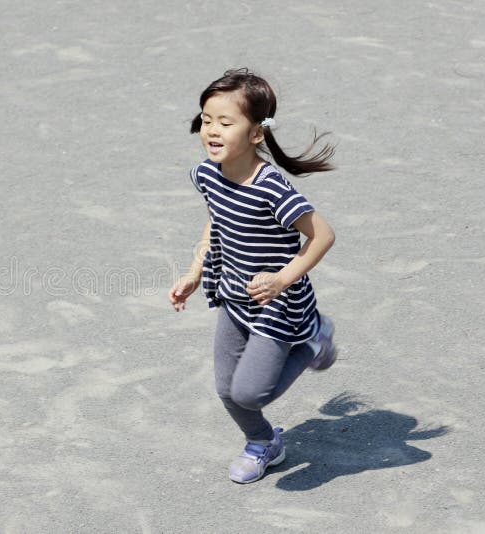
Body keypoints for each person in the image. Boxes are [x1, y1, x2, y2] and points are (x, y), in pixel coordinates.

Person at [168, 68, 338, 484]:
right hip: (232, 296)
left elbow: (323, 235)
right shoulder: (205, 174)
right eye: (207, 120)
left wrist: (282, 279)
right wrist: (194, 272)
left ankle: (312, 338)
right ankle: (263, 443)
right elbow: (217, 221)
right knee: (227, 390)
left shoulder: (271, 188)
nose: (212, 130)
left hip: (278, 305)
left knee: (251, 392)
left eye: (226, 123)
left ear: (257, 134)